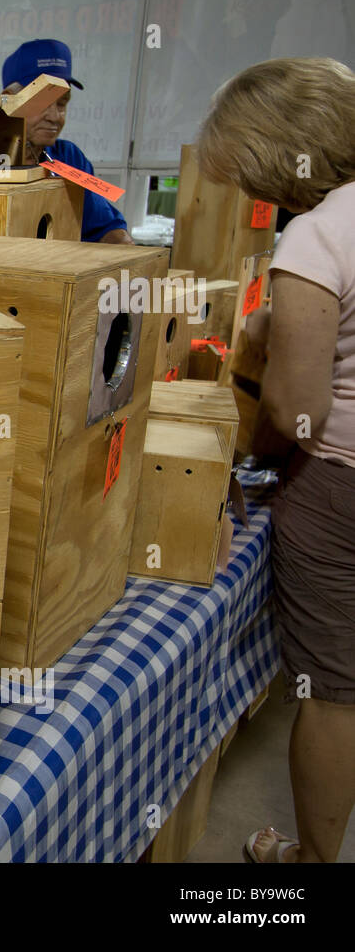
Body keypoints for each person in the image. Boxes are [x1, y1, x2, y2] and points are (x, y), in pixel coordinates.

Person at [198, 57, 355, 864]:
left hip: (340, 483)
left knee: (331, 692)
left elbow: (300, 411)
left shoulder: (320, 232)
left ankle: (312, 865)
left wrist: (244, 442)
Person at [0, 39, 133, 244]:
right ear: (8, 100)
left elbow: (107, 230)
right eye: (42, 103)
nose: (55, 117)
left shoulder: (69, 158)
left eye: (62, 103)